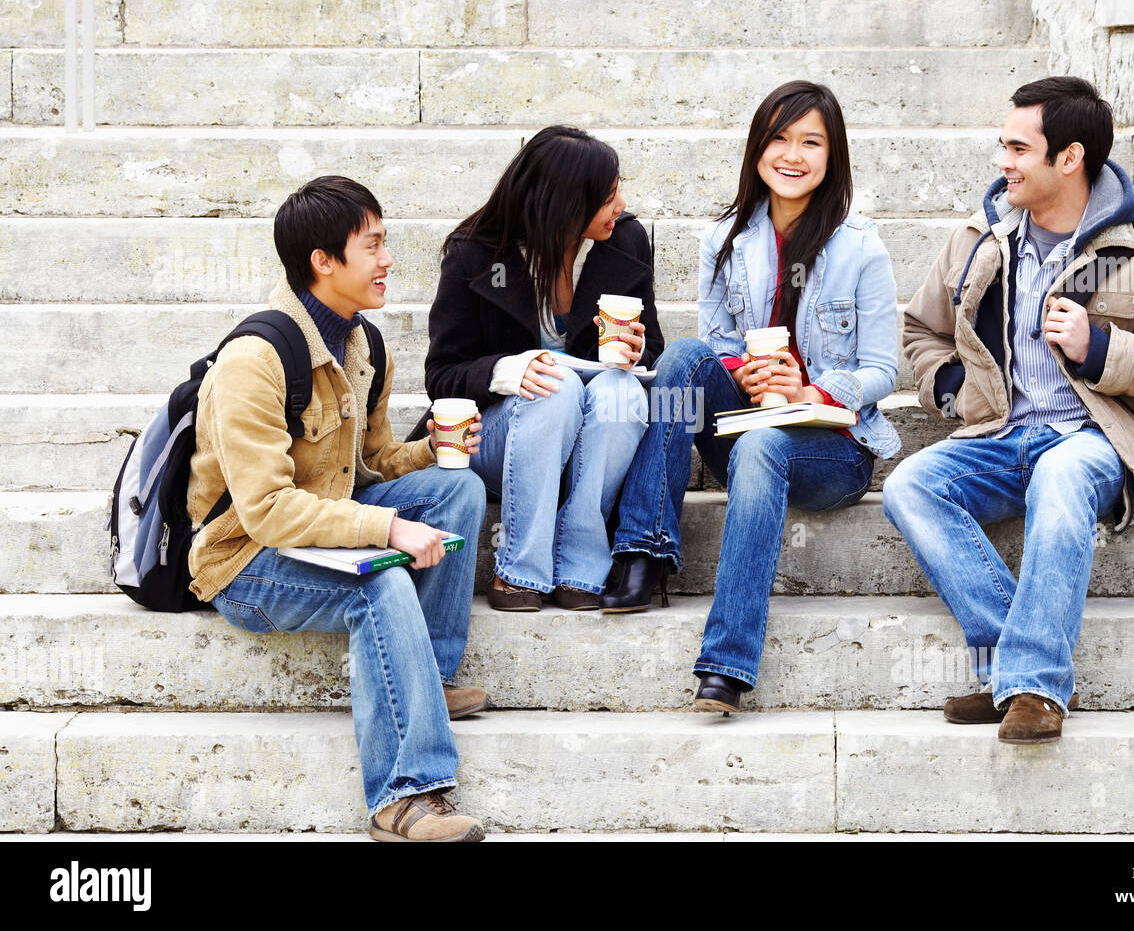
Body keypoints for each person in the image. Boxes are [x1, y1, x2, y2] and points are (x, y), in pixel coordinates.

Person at [883, 77, 1134, 744]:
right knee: (908, 485)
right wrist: (951, 388)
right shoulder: (979, 240)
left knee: (1062, 475)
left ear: (1068, 158)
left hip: (1093, 436)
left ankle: (1034, 689)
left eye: (1018, 147)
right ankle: (1020, 665)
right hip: (998, 432)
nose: (1002, 162)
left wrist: (1104, 350)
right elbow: (920, 332)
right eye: (1002, 145)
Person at [187, 176, 490, 842]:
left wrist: (429, 450)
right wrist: (386, 526)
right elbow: (265, 510)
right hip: (248, 561)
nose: (387, 260)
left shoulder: (365, 343)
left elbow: (372, 462)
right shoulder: (254, 359)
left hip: (324, 527)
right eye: (373, 245)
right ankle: (404, 797)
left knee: (459, 488)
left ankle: (428, 681)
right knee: (379, 584)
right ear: (323, 261)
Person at [602, 81, 900, 713]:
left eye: (810, 142)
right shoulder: (725, 239)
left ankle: (729, 663)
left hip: (830, 449)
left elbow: (883, 369)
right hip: (740, 424)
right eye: (779, 138)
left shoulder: (861, 246)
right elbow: (714, 340)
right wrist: (744, 371)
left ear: (833, 155)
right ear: (758, 147)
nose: (792, 155)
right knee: (683, 356)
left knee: (766, 442)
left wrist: (809, 386)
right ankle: (645, 549)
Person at [418, 125, 663, 612]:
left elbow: (652, 347)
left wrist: (636, 352)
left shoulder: (625, 239)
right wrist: (510, 371)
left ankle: (581, 569)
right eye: (607, 197)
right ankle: (518, 571)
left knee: (622, 391)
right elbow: (442, 375)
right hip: (498, 437)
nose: (620, 206)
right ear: (566, 203)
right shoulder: (477, 253)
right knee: (556, 386)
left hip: (592, 437)